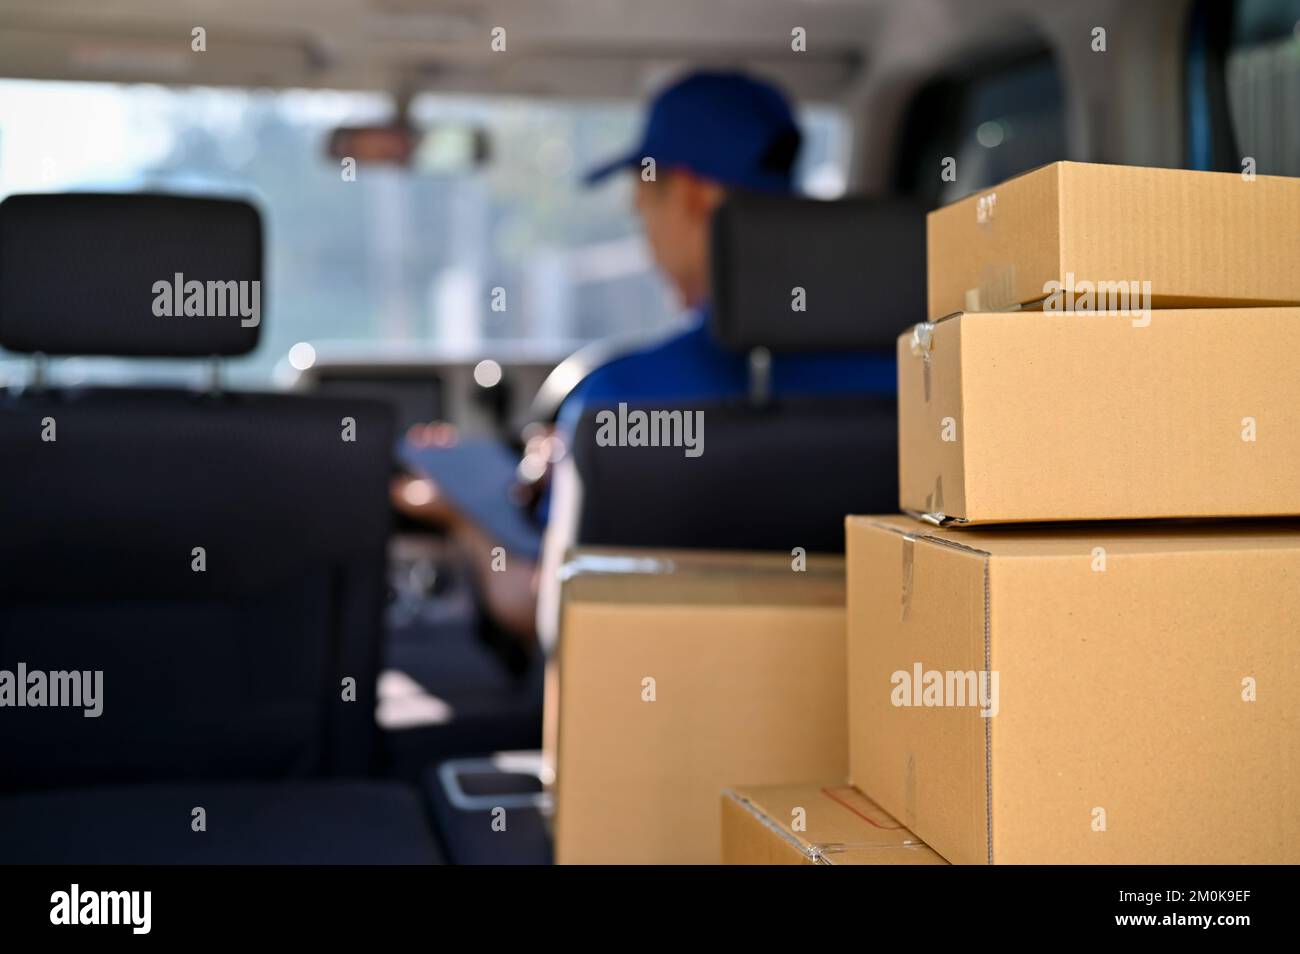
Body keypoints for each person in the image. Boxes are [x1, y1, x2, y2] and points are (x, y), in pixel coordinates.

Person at [393, 69, 895, 650]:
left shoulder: (618, 400)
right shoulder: (918, 384)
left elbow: (541, 607)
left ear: (690, 196)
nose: (646, 240)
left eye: (642, 210)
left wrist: (458, 518)